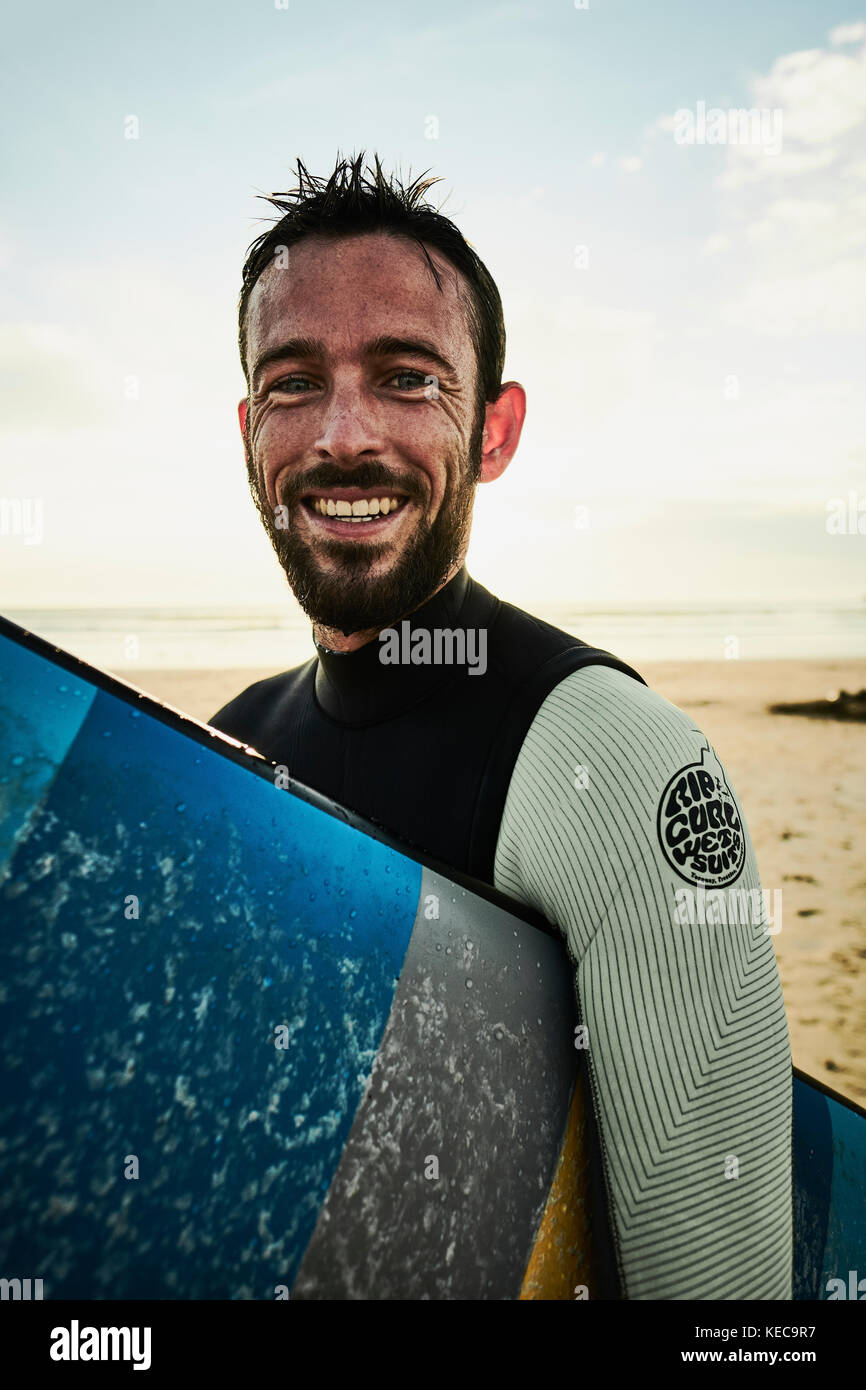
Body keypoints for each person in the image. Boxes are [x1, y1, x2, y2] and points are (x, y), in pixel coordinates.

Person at [210, 152, 792, 1300]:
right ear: (245, 431)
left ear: (493, 431)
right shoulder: (228, 748)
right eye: (290, 382)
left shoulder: (616, 766)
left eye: (406, 377)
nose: (339, 436)